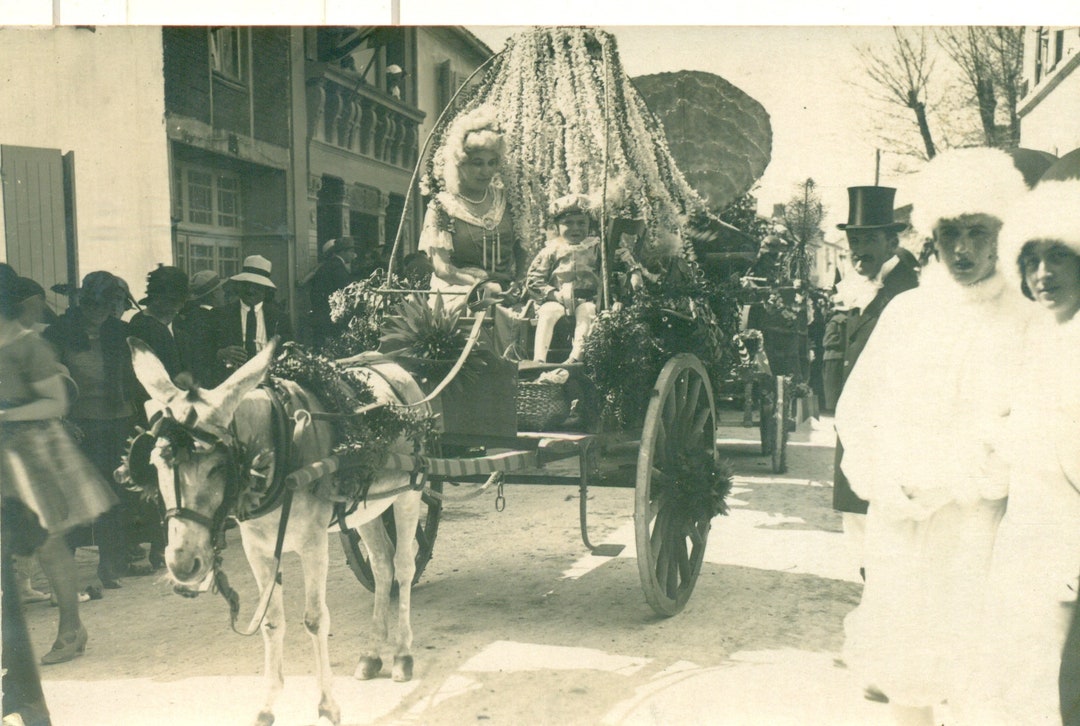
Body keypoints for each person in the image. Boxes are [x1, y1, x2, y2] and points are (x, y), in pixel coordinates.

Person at [835, 148, 1031, 725]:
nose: (963, 249)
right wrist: (882, 481)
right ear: (932, 238)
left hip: (978, 522)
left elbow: (1030, 422)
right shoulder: (909, 312)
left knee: (974, 669)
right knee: (905, 669)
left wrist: (966, 483)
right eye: (950, 234)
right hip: (902, 513)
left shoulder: (1023, 318)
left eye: (977, 232)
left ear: (1002, 233)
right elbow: (859, 407)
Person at [957, 179, 1080, 725]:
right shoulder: (1036, 336)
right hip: (1025, 530)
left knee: (1055, 678)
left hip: (1069, 535)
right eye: (1032, 260)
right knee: (1014, 671)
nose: (1044, 274)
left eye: (1059, 257)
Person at [0, 266, 118, 680]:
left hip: (30, 455)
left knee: (48, 544)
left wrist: (4, 413)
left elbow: (56, 403)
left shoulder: (27, 346)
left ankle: (72, 629)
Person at [829, 185, 920, 579]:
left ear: (891, 240)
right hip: (857, 419)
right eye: (853, 240)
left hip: (890, 422)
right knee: (856, 512)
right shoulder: (859, 287)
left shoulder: (908, 290)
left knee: (885, 518)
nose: (857, 249)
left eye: (867, 239)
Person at [43, 271, 145, 587]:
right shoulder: (58, 332)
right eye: (96, 304)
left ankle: (110, 565)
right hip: (78, 425)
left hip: (118, 421)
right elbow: (50, 383)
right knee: (74, 495)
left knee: (115, 494)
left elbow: (136, 378)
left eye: (109, 305)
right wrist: (62, 421)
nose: (102, 311)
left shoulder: (121, 332)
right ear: (84, 303)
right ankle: (67, 570)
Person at [418, 105, 526, 310]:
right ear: (460, 162)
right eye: (477, 163)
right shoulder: (443, 206)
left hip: (506, 290)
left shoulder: (507, 200)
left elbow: (522, 249)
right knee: (488, 309)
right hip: (460, 289)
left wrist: (519, 281)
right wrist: (482, 285)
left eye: (491, 162)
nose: (486, 171)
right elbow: (443, 269)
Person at [527, 194, 600, 363]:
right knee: (548, 312)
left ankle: (575, 357)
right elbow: (534, 278)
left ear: (589, 225)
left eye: (581, 223)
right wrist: (553, 294)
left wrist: (633, 271)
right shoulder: (552, 249)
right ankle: (539, 358)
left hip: (586, 298)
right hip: (558, 297)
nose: (575, 228)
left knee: (587, 313)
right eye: (568, 223)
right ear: (557, 226)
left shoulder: (595, 247)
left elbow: (618, 259)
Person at [213, 255, 292, 374]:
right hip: (230, 380)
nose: (250, 290)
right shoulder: (220, 315)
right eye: (246, 284)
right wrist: (221, 354)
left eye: (257, 286)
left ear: (266, 289)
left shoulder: (280, 318)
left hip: (268, 380)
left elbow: (289, 353)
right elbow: (202, 351)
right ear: (238, 286)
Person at [128, 265, 189, 380]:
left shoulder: (175, 325)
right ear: (156, 300)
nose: (180, 305)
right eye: (173, 300)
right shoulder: (143, 327)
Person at [174, 269, 225, 388]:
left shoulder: (191, 315)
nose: (224, 293)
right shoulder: (209, 318)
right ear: (214, 294)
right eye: (221, 290)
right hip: (209, 380)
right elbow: (200, 353)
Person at [309, 237, 357, 347]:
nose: (353, 255)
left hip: (321, 314)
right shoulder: (337, 268)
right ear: (343, 252)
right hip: (329, 316)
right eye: (351, 252)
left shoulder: (329, 265)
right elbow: (345, 291)